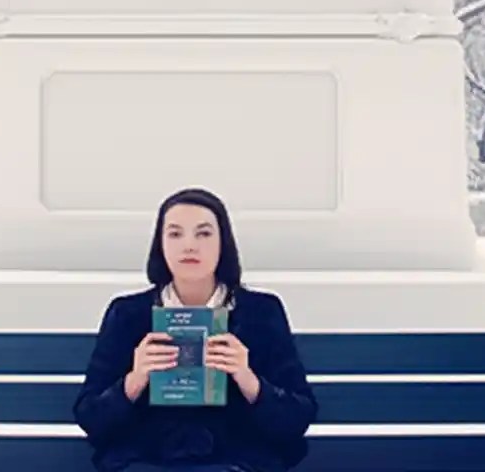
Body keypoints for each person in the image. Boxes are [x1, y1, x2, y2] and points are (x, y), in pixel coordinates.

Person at [73, 187, 318, 472]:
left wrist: (248, 379)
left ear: (223, 243)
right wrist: (135, 379)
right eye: (175, 234)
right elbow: (91, 417)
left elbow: (298, 417)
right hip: (148, 462)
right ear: (160, 244)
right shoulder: (128, 314)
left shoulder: (261, 312)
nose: (189, 246)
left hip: (237, 463)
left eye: (203, 233)